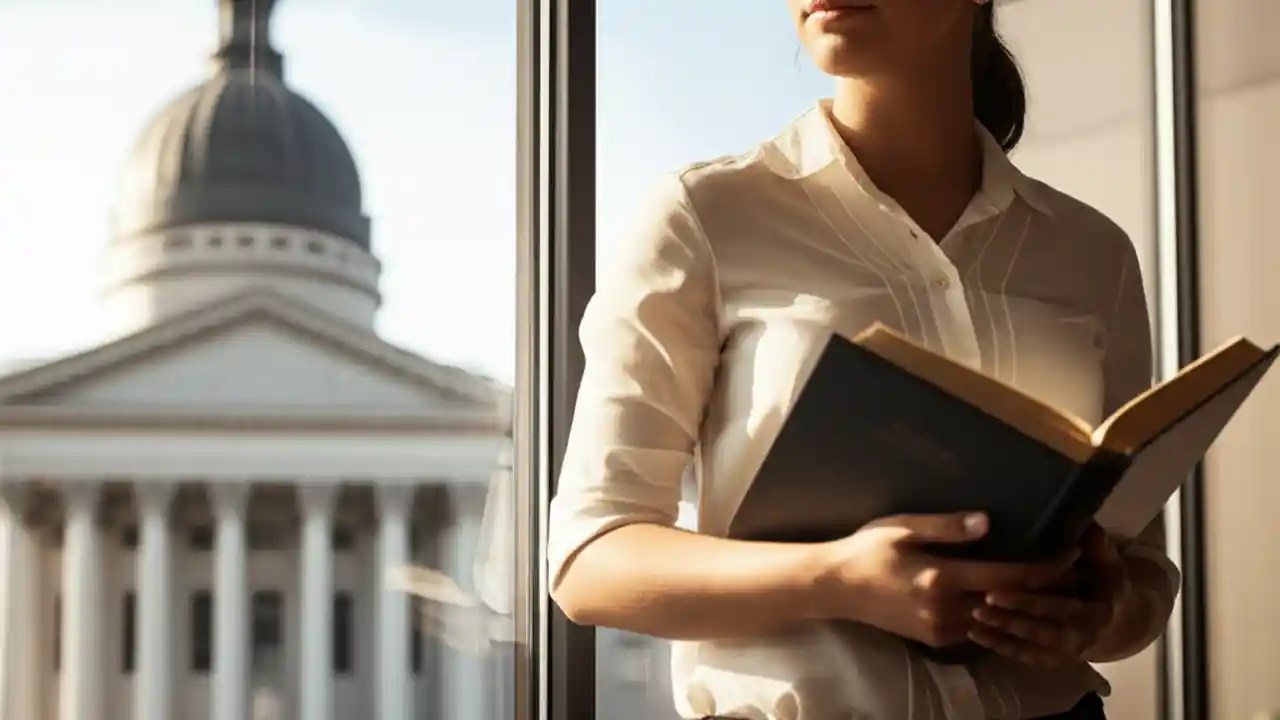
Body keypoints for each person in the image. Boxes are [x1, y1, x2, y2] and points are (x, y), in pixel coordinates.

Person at [547, 0, 1181, 717]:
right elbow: (587, 561)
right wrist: (835, 579)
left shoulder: (1091, 252)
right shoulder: (704, 217)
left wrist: (1105, 614)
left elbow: (1144, 570)